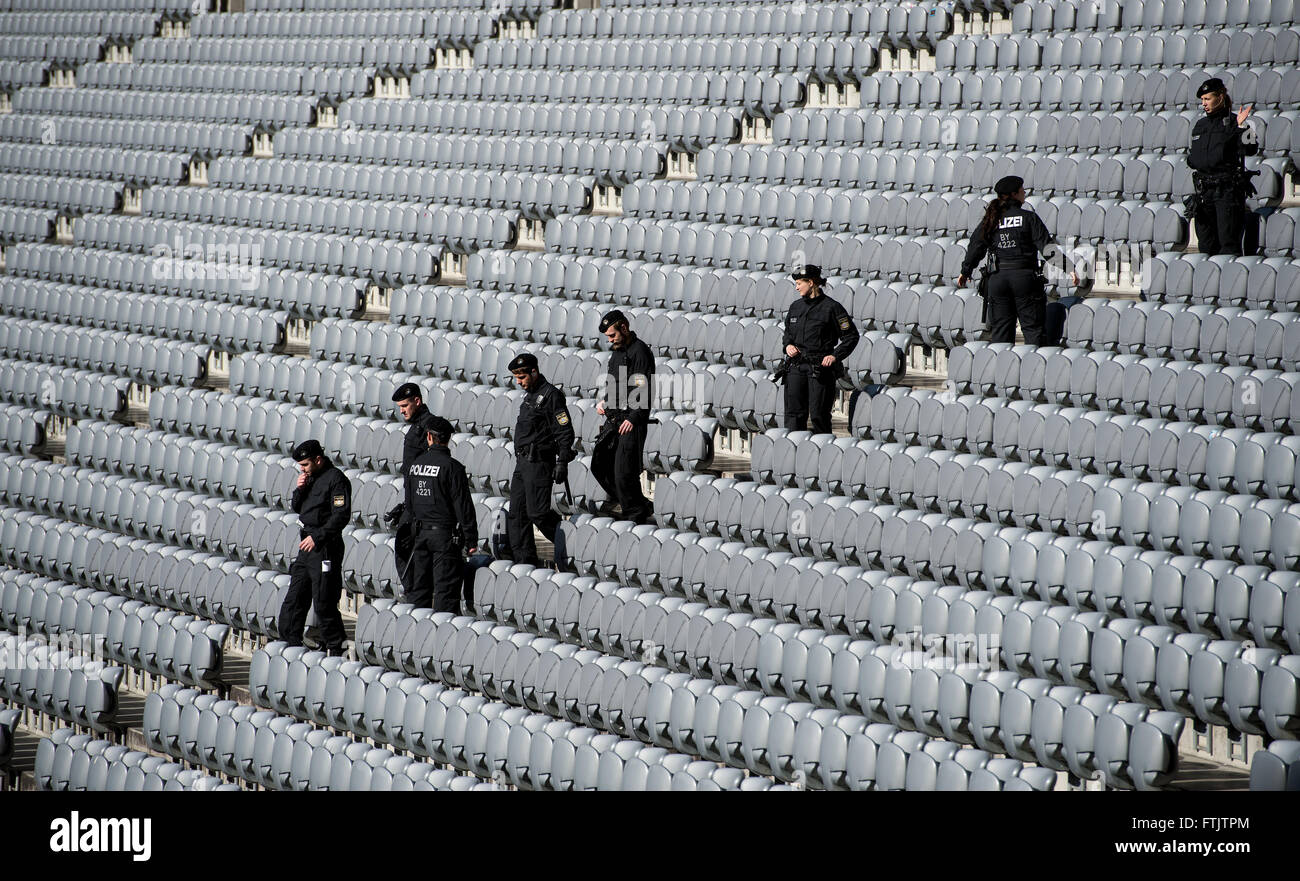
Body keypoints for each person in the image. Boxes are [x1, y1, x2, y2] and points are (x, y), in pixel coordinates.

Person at [957, 176, 1061, 346]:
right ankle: (1033, 370)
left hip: (998, 280)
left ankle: (1003, 371)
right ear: (1014, 194)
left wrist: (965, 270)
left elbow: (976, 246)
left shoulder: (991, 219)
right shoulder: (1028, 218)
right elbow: (1047, 248)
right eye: (1022, 190)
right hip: (1024, 279)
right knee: (1033, 330)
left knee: (1001, 334)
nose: (1024, 192)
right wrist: (1069, 268)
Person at [279, 439, 350, 656]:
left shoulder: (336, 480)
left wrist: (318, 537)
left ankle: (337, 648)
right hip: (306, 547)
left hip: (324, 547)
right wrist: (299, 489)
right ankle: (291, 644)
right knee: (295, 597)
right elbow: (299, 508)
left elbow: (341, 515)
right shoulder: (309, 479)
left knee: (323, 601)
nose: (303, 469)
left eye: (305, 465)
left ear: (318, 460)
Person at [506, 352, 575, 567]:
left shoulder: (551, 396)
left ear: (534, 372)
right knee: (517, 514)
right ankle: (525, 562)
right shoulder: (530, 396)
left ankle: (570, 544)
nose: (519, 382)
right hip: (523, 463)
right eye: (516, 378)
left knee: (538, 513)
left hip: (539, 462)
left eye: (522, 377)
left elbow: (564, 431)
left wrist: (562, 461)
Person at [405, 413, 478, 613]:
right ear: (447, 439)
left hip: (420, 535)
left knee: (420, 590)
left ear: (429, 437)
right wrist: (471, 539)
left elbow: (410, 504)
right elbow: (463, 506)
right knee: (445, 592)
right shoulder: (452, 468)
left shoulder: (415, 465)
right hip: (445, 537)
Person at [592, 309, 655, 524]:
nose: (610, 340)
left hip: (631, 421)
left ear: (624, 328)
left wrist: (634, 418)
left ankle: (635, 515)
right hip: (615, 418)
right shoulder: (617, 352)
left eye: (612, 335)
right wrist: (605, 403)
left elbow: (643, 390)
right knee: (599, 465)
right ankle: (639, 504)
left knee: (624, 473)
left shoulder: (640, 352)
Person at [780, 264, 859, 434]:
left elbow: (851, 336)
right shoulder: (796, 307)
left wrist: (835, 356)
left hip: (820, 369)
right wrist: (788, 346)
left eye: (799, 283)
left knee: (819, 415)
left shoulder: (832, 308)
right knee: (793, 414)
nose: (797, 287)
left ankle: (822, 454)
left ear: (811, 282)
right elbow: (788, 333)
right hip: (796, 367)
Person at [1188, 77, 1256, 257]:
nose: (1204, 103)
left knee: (1227, 244)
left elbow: (1250, 149)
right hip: (1204, 193)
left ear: (1220, 97)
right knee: (1206, 246)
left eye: (1207, 99)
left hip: (1226, 193)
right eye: (1202, 100)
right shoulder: (1200, 125)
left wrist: (1242, 126)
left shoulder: (1237, 121)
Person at [386, 382, 431, 594]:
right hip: (412, 501)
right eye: (400, 407)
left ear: (417, 401)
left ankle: (416, 597)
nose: (402, 410)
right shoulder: (417, 427)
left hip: (421, 505)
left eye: (405, 405)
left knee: (409, 555)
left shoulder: (427, 427)